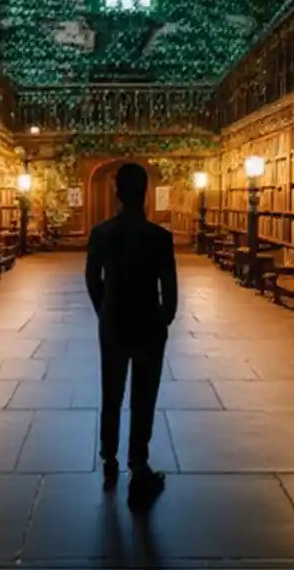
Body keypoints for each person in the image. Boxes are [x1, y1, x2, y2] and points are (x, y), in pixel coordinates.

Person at [85, 162, 177, 507]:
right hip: (148, 325)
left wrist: (103, 310)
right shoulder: (160, 238)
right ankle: (138, 464)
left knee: (112, 391)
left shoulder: (101, 234)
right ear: (146, 194)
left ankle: (109, 457)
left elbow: (92, 279)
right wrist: (162, 320)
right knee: (143, 397)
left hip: (113, 322)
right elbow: (170, 292)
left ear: (117, 193)